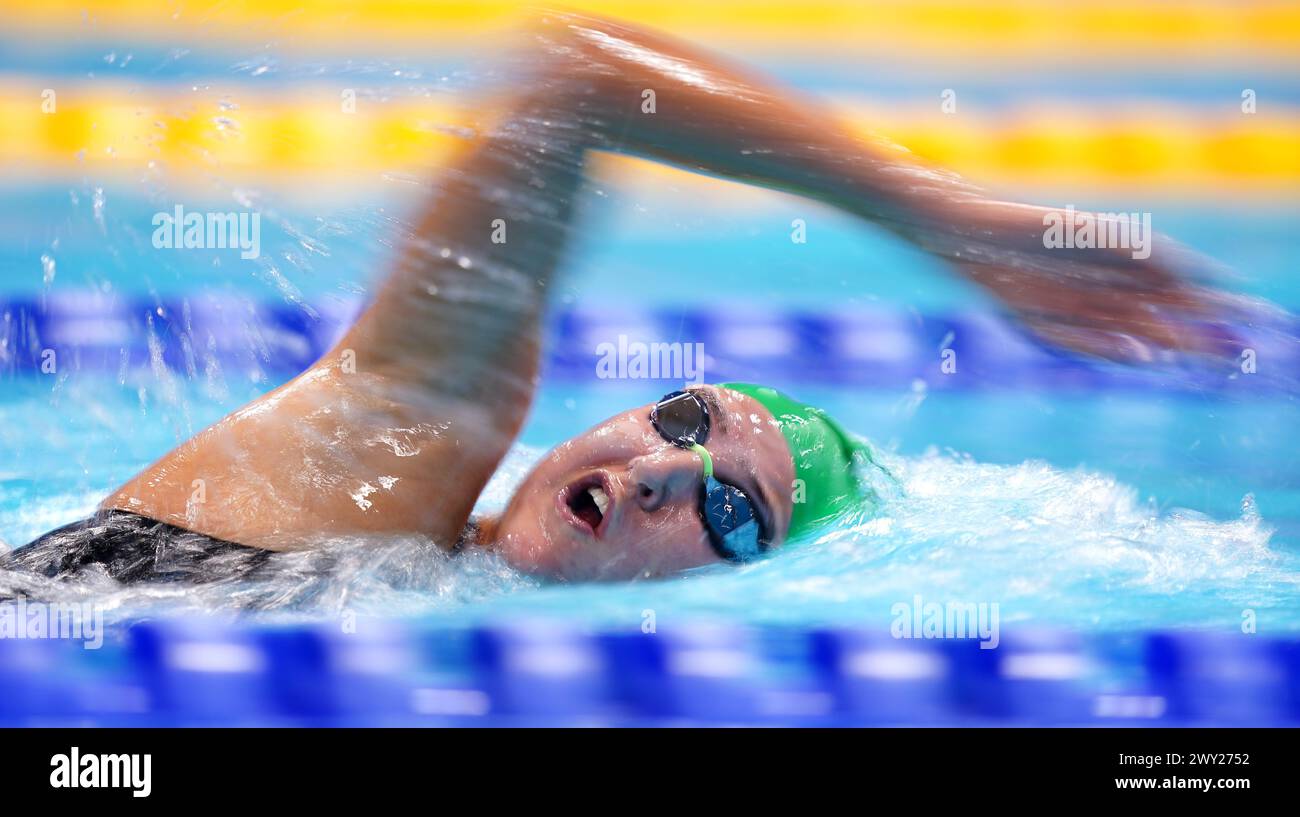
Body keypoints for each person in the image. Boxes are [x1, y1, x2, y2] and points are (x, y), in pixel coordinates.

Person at [5, 11, 1237, 584]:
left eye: (734, 518)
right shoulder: (390, 452)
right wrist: (937, 216)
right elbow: (579, 83)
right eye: (685, 425)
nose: (664, 475)